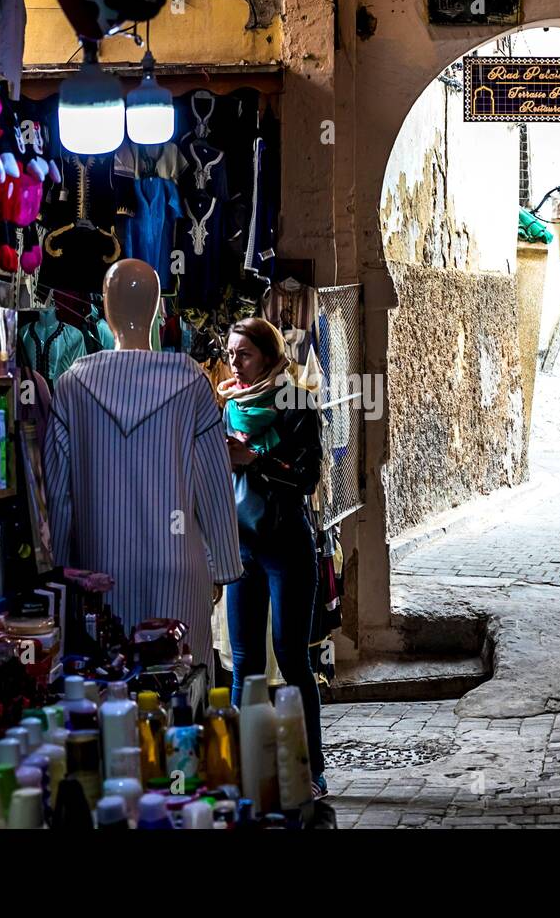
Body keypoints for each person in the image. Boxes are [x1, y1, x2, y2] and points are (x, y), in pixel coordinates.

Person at [220, 317, 328, 798]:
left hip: (287, 547)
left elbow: (305, 478)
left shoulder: (295, 404)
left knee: (291, 655)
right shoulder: (227, 408)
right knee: (245, 664)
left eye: (243, 353)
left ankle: (311, 769)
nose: (234, 362)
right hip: (241, 546)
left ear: (267, 355)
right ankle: (252, 769)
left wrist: (255, 461)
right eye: (230, 352)